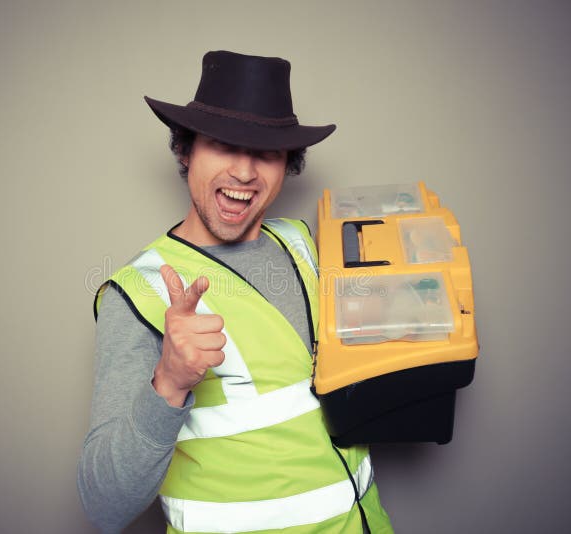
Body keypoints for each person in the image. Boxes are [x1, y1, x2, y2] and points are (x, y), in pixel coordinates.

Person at [78, 50, 394, 533]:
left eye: (266, 153)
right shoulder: (138, 295)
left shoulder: (305, 243)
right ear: (186, 151)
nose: (245, 173)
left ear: (288, 162)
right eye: (223, 145)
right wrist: (170, 382)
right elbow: (104, 506)